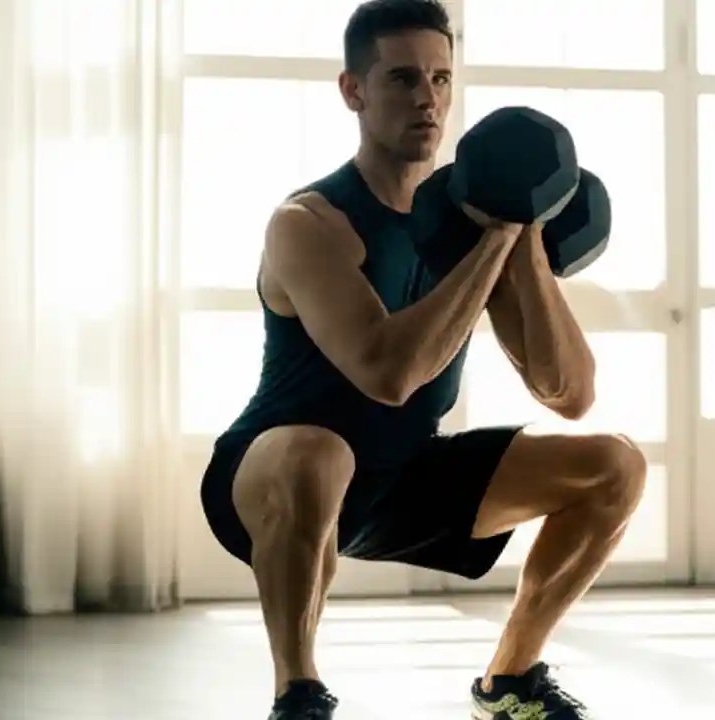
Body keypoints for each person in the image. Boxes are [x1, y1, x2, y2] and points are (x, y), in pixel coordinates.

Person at [199, 1, 647, 717]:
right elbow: (389, 374)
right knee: (318, 454)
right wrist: (494, 240)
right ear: (353, 90)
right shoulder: (309, 224)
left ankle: (510, 681)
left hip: (403, 476)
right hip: (276, 473)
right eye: (403, 78)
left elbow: (568, 393)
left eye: (441, 79)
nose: (427, 99)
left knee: (615, 464)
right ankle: (299, 692)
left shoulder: (475, 221)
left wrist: (520, 230)